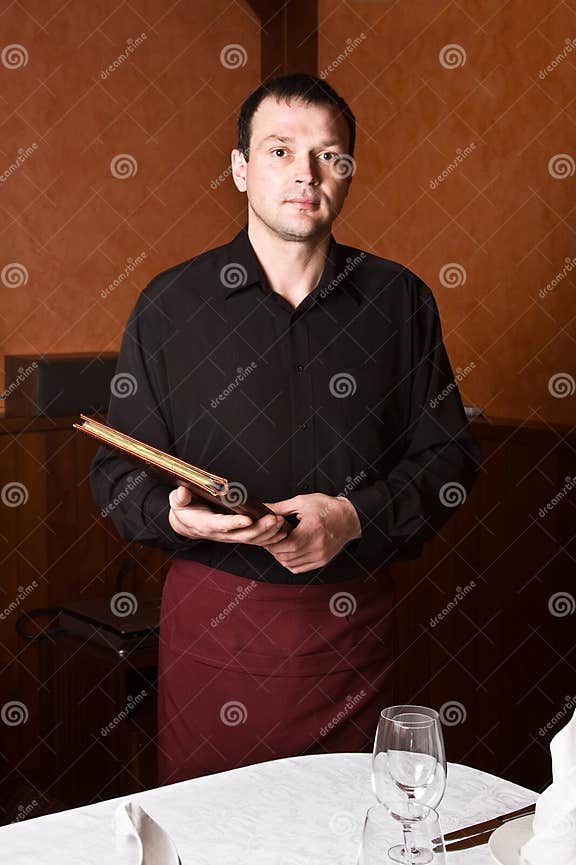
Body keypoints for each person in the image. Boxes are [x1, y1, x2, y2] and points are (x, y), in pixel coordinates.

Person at [90, 73, 481, 785]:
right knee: (210, 836)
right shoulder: (170, 303)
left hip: (350, 626)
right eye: (279, 150)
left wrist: (355, 516)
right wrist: (174, 516)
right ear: (241, 167)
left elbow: (450, 460)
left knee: (348, 835)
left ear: (348, 173)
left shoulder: (399, 300)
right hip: (214, 626)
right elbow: (114, 476)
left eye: (329, 156)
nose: (305, 173)